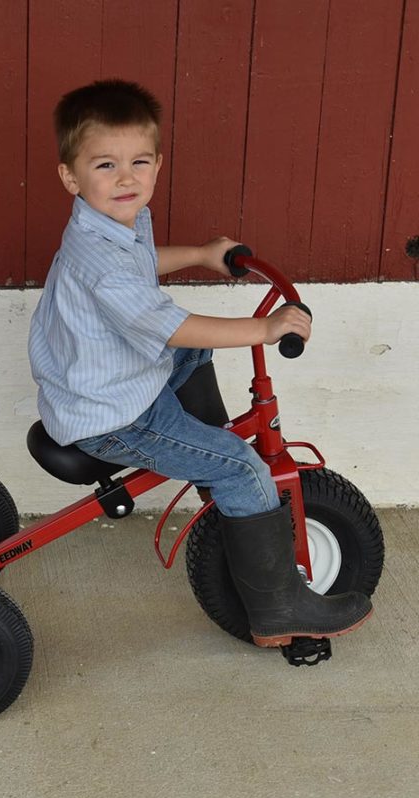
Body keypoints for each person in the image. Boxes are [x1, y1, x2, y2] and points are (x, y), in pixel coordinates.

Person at [28, 79, 371, 647]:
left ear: (158, 165)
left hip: (110, 384)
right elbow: (170, 323)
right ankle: (279, 609)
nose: (126, 178)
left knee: (190, 353)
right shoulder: (101, 259)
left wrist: (201, 255)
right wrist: (265, 328)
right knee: (240, 465)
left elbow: (145, 269)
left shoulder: (112, 221)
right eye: (106, 165)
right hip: (116, 417)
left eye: (139, 162)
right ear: (71, 176)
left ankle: (208, 453)